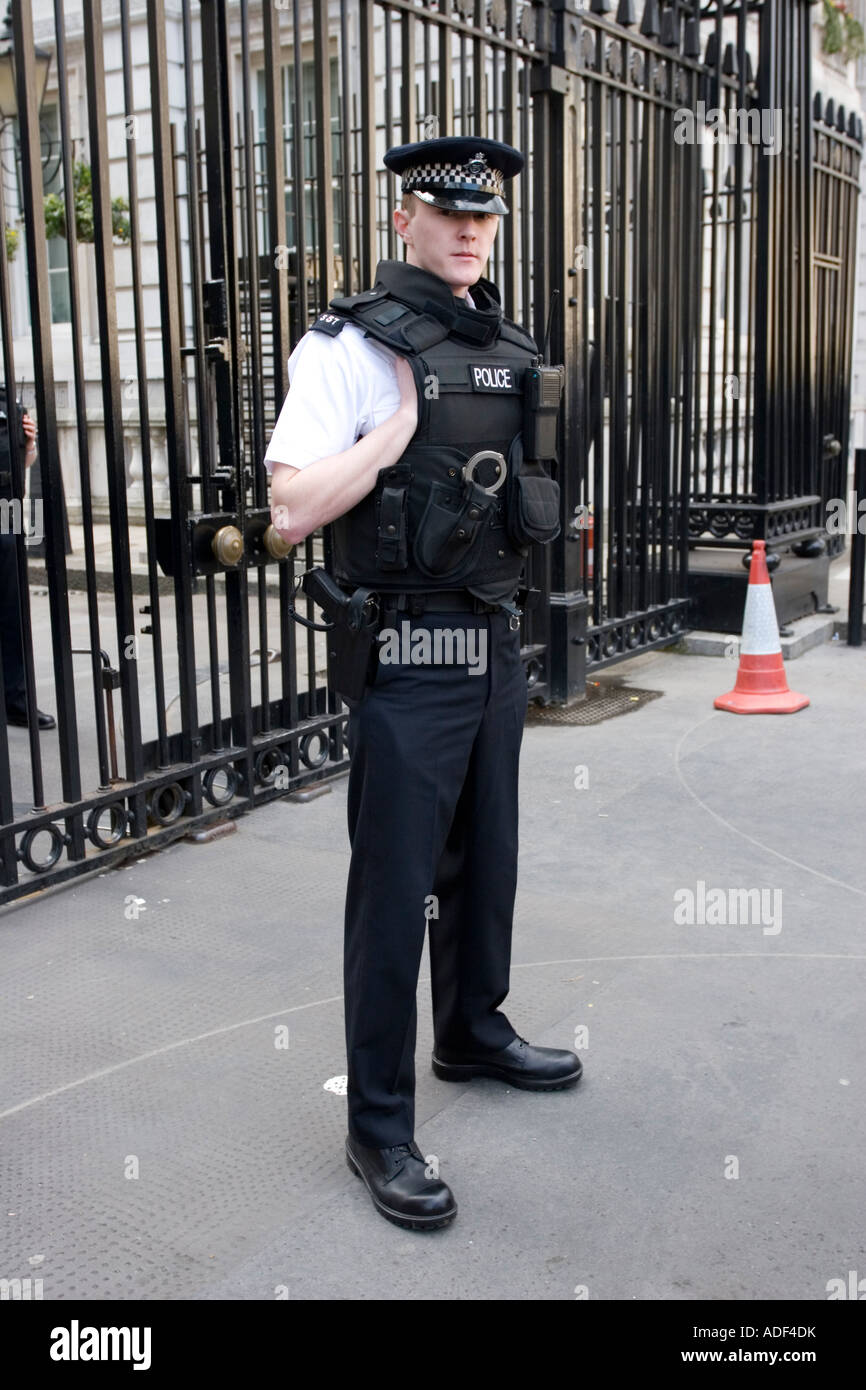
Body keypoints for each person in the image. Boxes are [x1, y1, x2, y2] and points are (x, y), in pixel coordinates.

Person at [264, 135, 581, 1231]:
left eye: (483, 218)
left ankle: (471, 1029)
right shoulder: (347, 350)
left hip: (491, 640)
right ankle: (378, 1124)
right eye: (446, 214)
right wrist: (395, 430)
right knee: (395, 892)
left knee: (483, 857)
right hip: (403, 651)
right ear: (402, 219)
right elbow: (290, 509)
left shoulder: (502, 343)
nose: (465, 232)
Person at [0, 391, 55, 729]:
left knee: (12, 614)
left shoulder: (8, 401)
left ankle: (16, 701)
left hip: (7, 510)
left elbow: (21, 464)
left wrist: (29, 444)